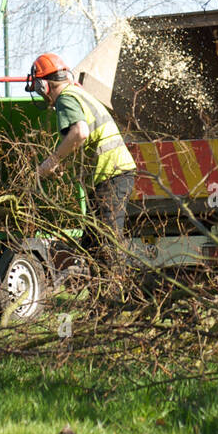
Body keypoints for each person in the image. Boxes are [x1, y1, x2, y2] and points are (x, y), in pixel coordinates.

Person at [27, 53, 137, 301]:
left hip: (111, 173)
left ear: (43, 84)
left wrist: (52, 161)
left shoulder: (66, 98)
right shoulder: (80, 93)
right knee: (93, 241)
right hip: (112, 174)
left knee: (108, 242)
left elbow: (80, 132)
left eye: (38, 86)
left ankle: (118, 299)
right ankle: (100, 299)